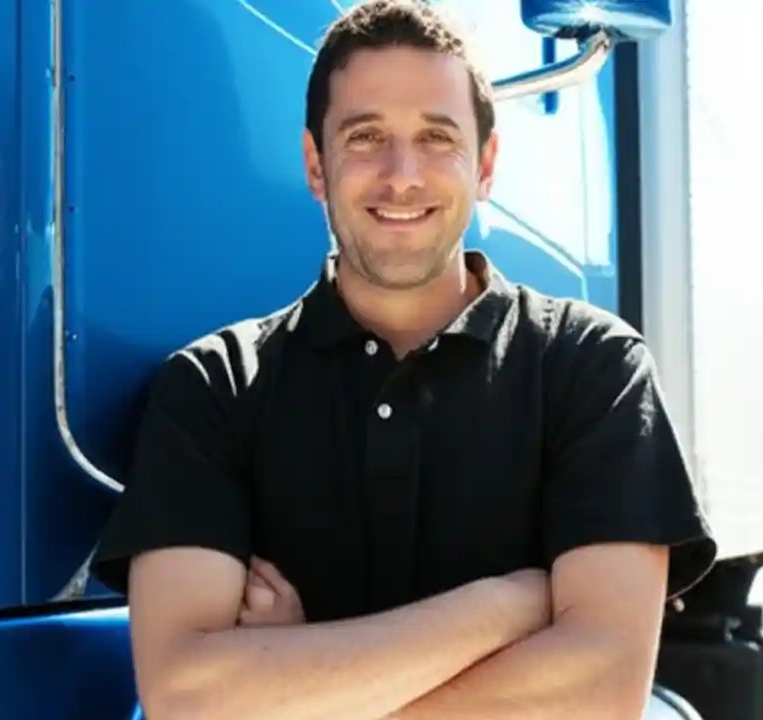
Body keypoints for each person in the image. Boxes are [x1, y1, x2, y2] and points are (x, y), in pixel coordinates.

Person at [90, 1, 717, 717]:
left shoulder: (592, 367)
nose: (401, 175)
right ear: (315, 164)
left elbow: (600, 692)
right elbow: (188, 697)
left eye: (436, 138)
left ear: (484, 165)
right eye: (364, 137)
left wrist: (304, 691)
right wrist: (507, 605)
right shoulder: (214, 388)